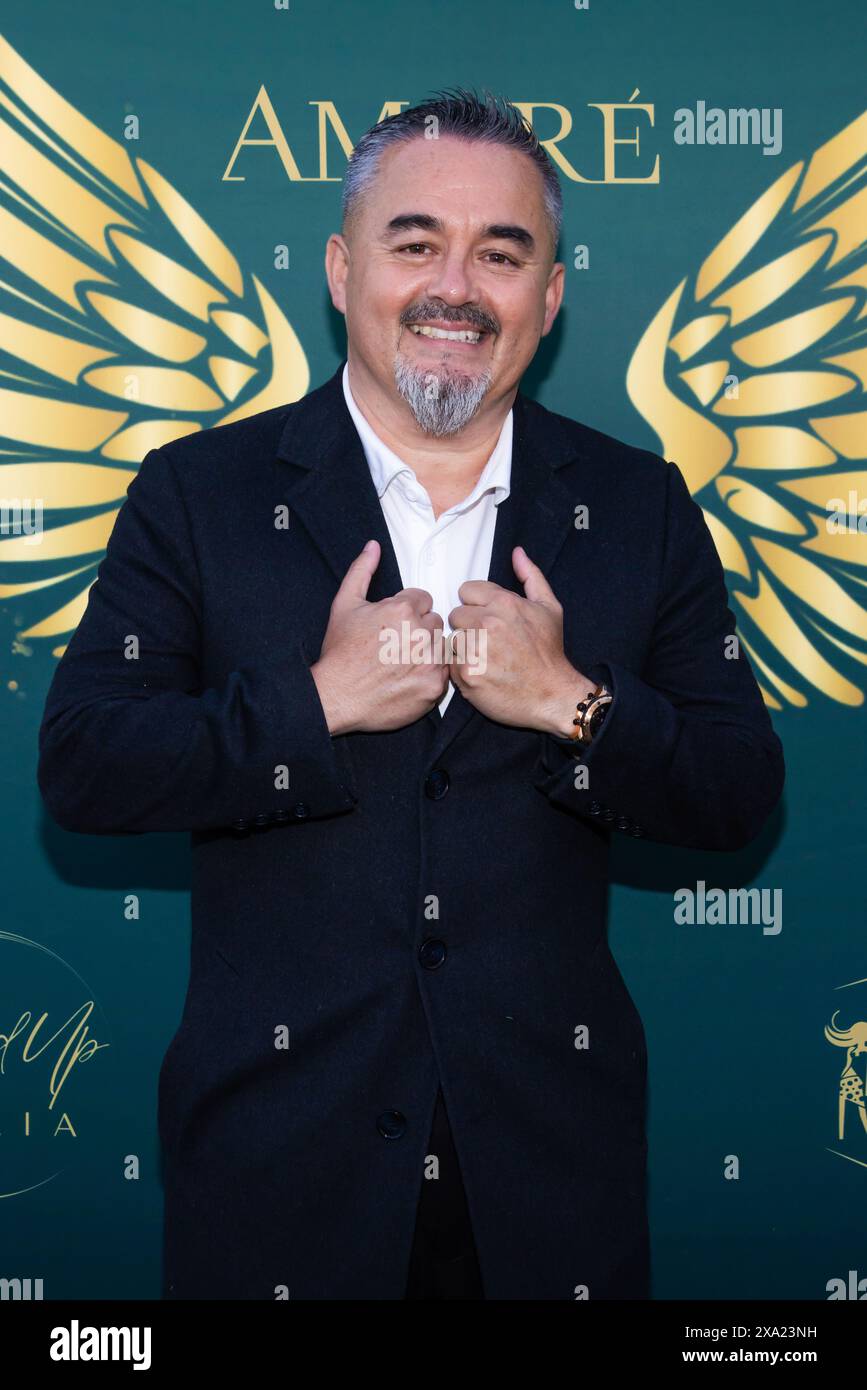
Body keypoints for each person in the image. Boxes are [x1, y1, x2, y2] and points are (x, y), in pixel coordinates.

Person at [37, 88, 785, 1300]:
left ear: (548, 299)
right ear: (341, 270)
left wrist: (571, 703)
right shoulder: (197, 492)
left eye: (502, 253)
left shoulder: (641, 505)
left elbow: (738, 787)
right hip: (277, 1180)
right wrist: (314, 703)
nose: (457, 287)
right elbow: (85, 764)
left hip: (548, 1191)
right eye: (415, 241)